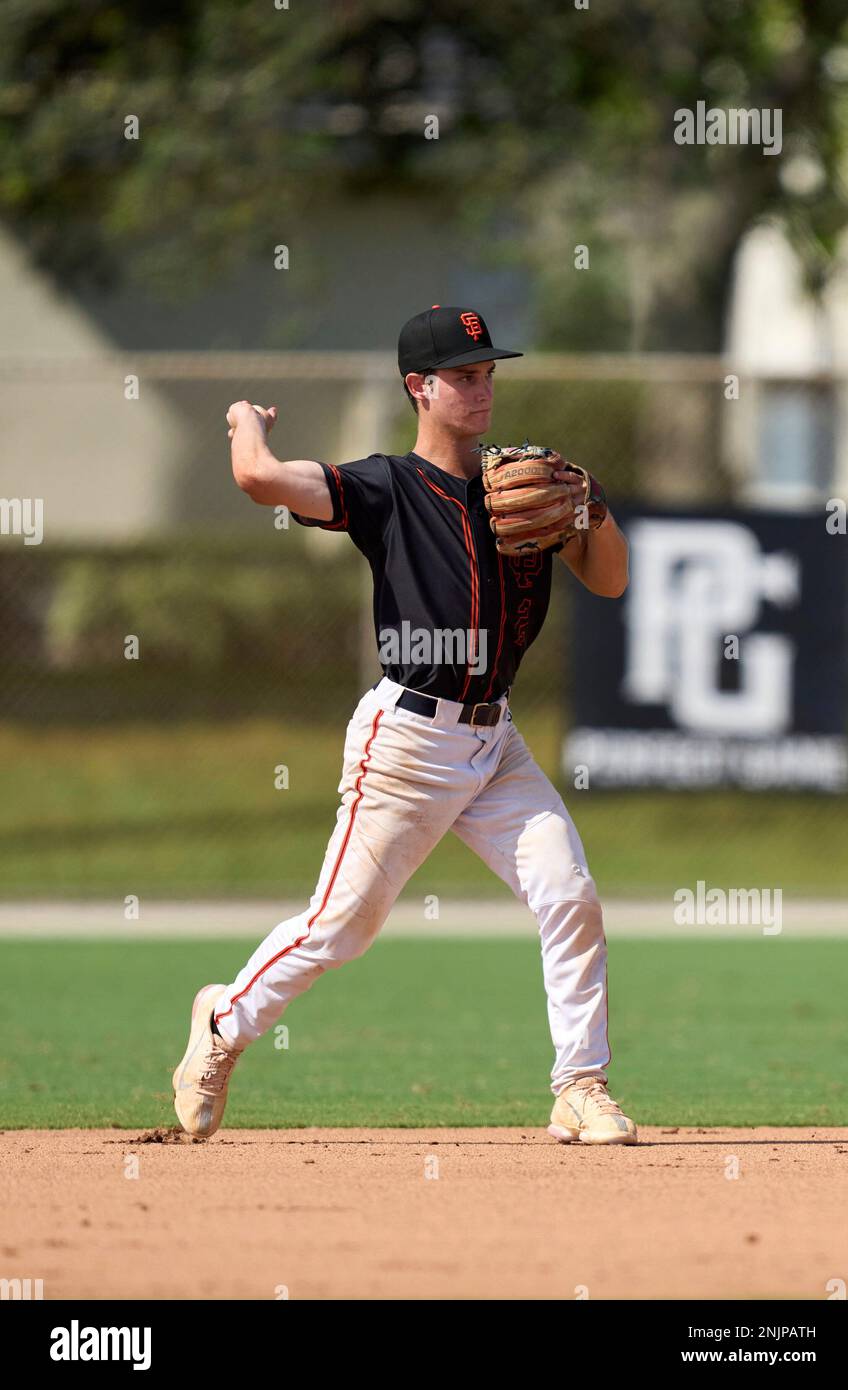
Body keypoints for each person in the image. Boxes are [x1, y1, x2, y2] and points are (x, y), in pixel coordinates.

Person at [172, 305, 637, 1145]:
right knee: (339, 931)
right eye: (464, 375)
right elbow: (260, 480)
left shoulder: (526, 484)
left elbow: (607, 582)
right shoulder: (384, 487)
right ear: (419, 388)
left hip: (497, 743)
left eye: (489, 372)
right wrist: (245, 423)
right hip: (408, 743)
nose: (483, 387)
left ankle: (580, 1086)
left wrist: (594, 513)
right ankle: (222, 1024)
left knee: (570, 894)